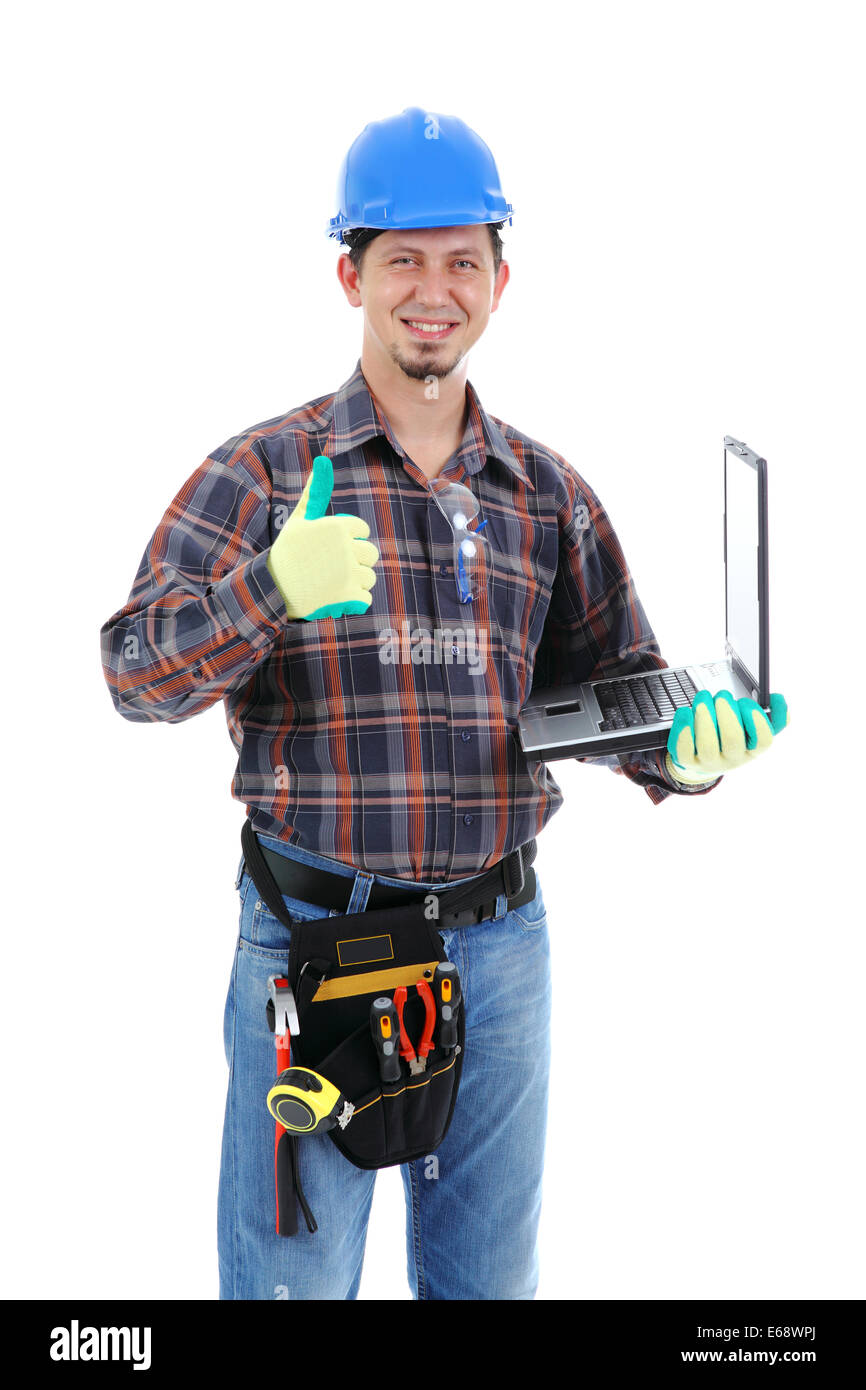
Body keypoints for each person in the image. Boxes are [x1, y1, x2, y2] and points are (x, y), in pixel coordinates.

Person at [100, 107, 789, 1300]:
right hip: (314, 945)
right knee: (288, 1286)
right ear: (348, 273)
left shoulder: (545, 493)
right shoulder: (266, 474)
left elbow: (621, 692)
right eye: (402, 258)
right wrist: (271, 586)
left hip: (499, 949)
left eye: (461, 258)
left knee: (486, 1287)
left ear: (499, 281)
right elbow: (131, 671)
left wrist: (690, 752)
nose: (434, 288)